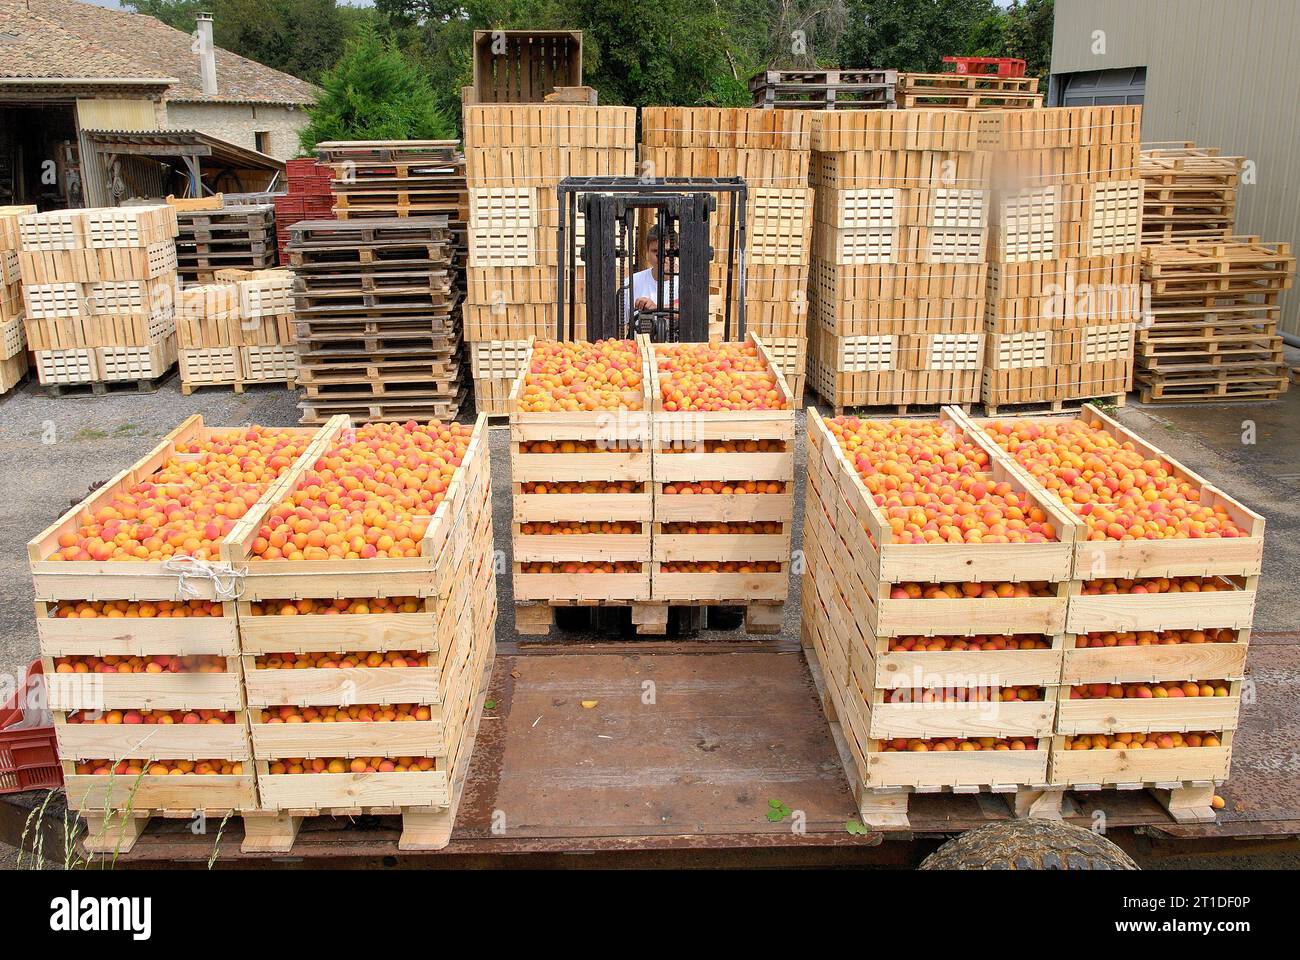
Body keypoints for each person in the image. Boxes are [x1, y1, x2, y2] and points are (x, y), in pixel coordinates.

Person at [624, 224, 679, 317]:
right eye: (655, 251)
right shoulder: (631, 284)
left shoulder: (688, 284)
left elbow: (692, 312)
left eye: (667, 251)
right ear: (647, 252)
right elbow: (620, 322)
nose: (661, 257)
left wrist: (655, 309)